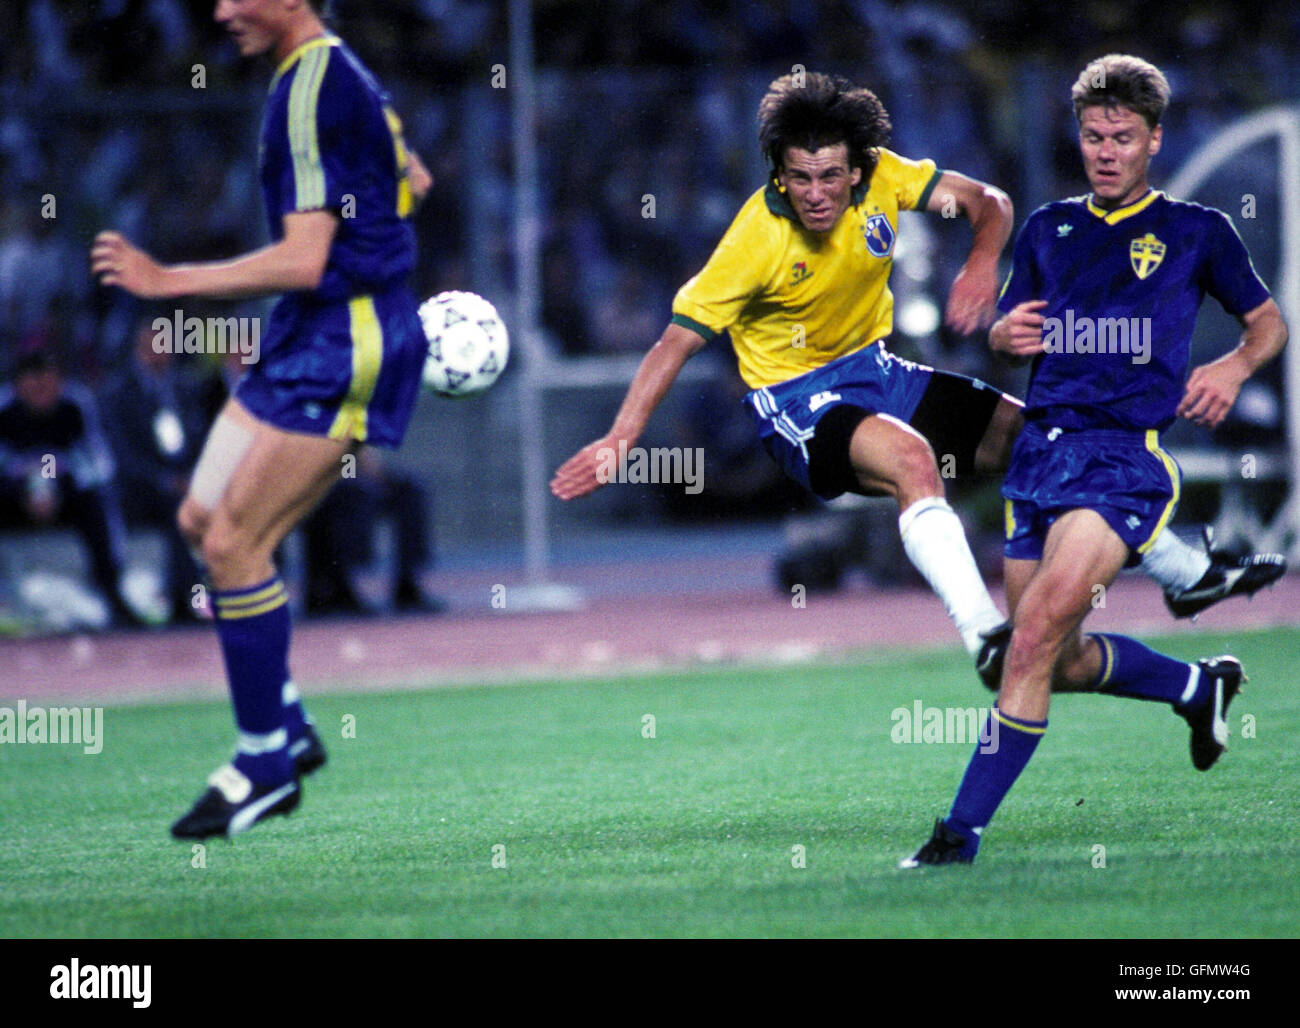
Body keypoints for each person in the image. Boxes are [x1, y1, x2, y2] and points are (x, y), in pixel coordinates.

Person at [550, 71, 1274, 677]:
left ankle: (1182, 578)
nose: (816, 193)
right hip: (798, 403)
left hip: (881, 371)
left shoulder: (886, 179)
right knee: (911, 458)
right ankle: (984, 634)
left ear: (858, 170)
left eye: (831, 174)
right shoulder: (754, 241)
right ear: (779, 175)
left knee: (1044, 436)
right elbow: (672, 344)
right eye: (799, 178)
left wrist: (981, 265)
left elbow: (990, 203)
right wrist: (623, 436)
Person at [901, 54, 1288, 868]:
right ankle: (1196, 687)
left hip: (1121, 465)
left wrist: (1230, 367)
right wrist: (1005, 339)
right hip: (1039, 460)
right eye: (1092, 136)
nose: (1105, 151)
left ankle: (956, 838)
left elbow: (1269, 325)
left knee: (1035, 634)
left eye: (1122, 137)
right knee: (1044, 657)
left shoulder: (1196, 232)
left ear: (1154, 140)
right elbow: (1013, 333)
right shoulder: (1048, 229)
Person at [91, 0, 433, 839]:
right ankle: (288, 722)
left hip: (343, 336)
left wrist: (166, 282)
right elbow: (415, 181)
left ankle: (263, 763)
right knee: (200, 516)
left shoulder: (314, 86)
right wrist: (380, 242)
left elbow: (303, 257)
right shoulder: (328, 71)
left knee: (234, 544)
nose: (220, 10)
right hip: (309, 329)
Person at [0, 351, 147, 629]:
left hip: (66, 493)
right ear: (20, 386)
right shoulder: (5, 409)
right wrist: (27, 479)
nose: (42, 394)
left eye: (49, 386)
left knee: (98, 501)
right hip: (15, 496)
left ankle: (111, 591)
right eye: (34, 387)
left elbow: (101, 461)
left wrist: (60, 475)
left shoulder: (76, 405)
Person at [100, 317, 215, 625]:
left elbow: (205, 439)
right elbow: (121, 455)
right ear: (138, 349)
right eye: (151, 344)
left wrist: (194, 476)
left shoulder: (187, 387)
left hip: (189, 482)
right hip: (141, 488)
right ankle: (184, 598)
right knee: (179, 508)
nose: (158, 352)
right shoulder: (118, 392)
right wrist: (166, 480)